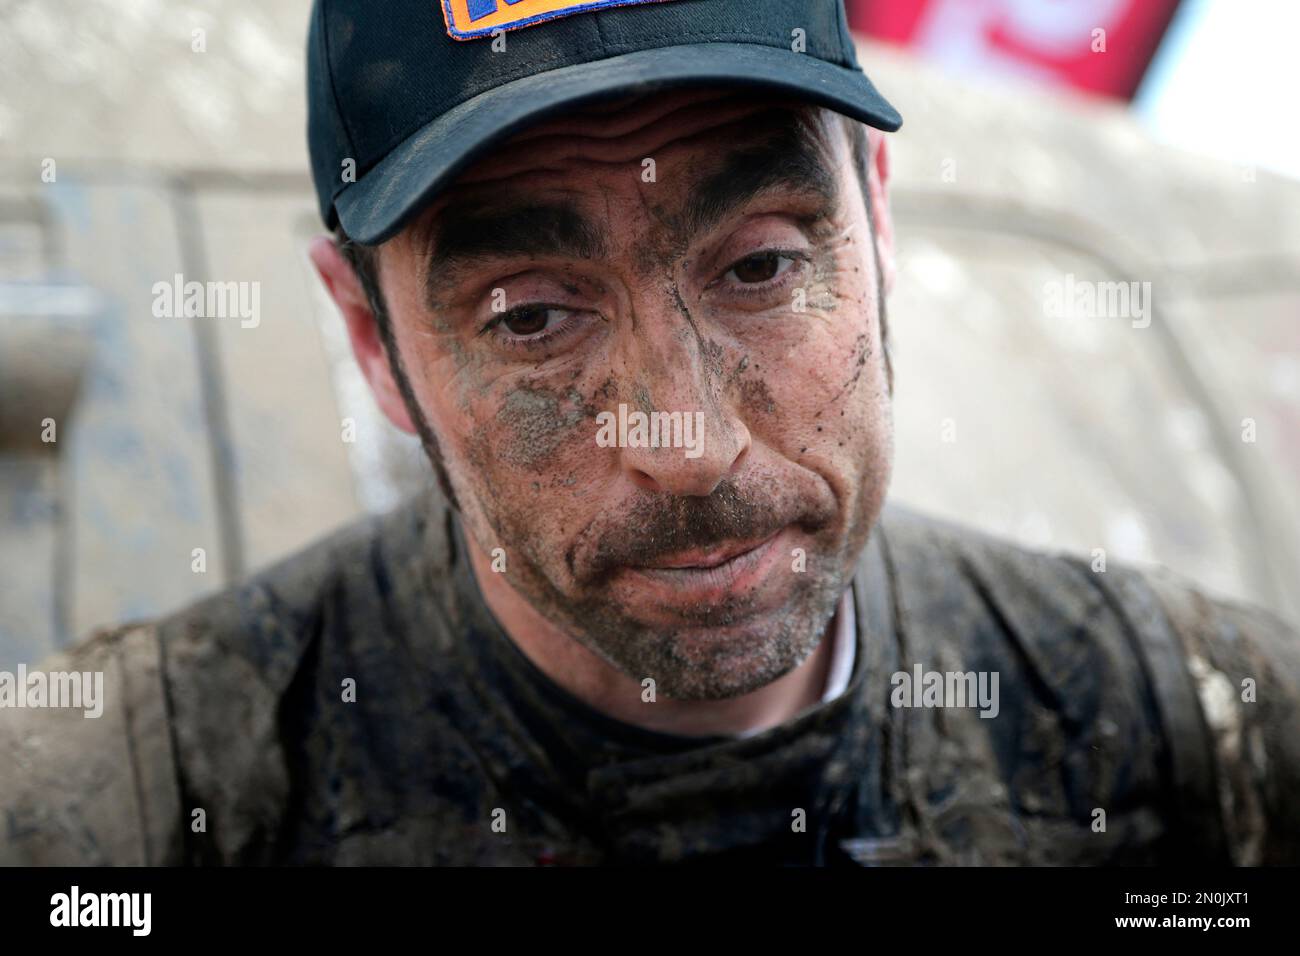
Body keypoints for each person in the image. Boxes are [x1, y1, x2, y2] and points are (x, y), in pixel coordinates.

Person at [2, 0, 1296, 867]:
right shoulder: (119, 813)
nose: (692, 446)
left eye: (762, 268)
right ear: (368, 338)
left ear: (877, 222)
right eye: (533, 318)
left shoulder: (1204, 732)